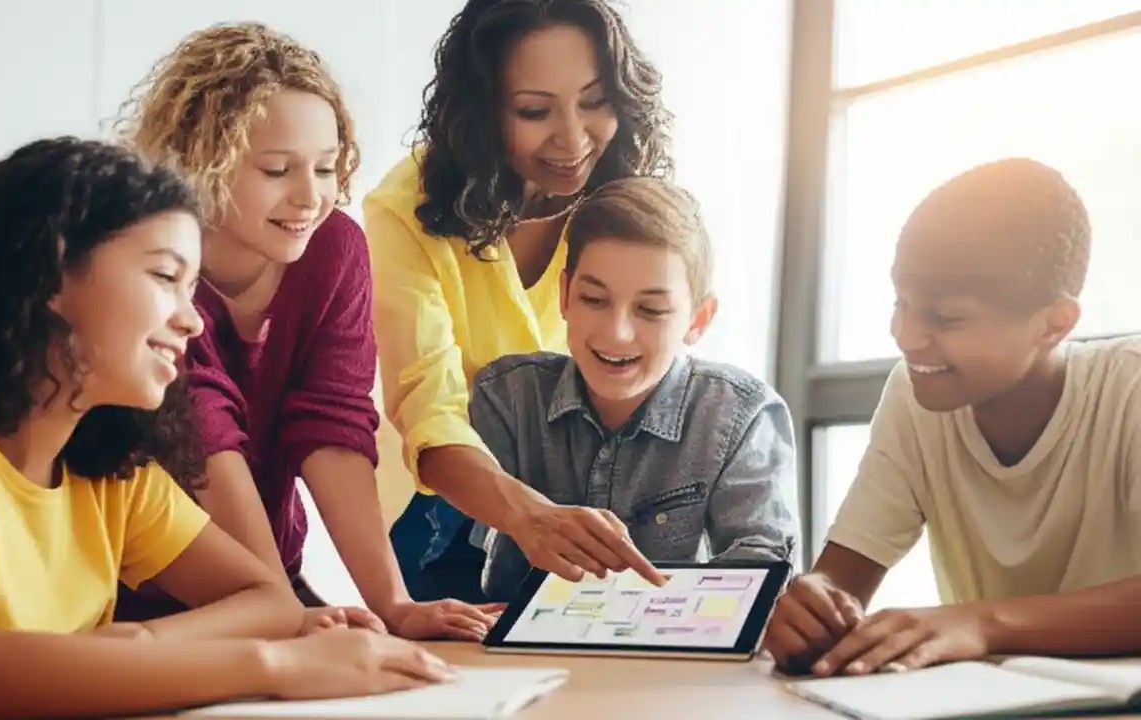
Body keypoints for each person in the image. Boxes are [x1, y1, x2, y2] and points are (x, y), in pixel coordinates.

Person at [0, 138, 450, 720]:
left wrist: (136, 644)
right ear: (48, 278)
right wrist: (272, 666)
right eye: (165, 277)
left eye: (192, 289)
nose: (193, 321)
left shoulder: (111, 471)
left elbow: (268, 599)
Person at [115, 22, 496, 640]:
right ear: (201, 165)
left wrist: (393, 604)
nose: (310, 197)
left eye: (325, 168)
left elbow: (333, 423)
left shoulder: (335, 249)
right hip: (139, 590)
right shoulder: (152, 263)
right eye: (276, 170)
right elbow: (203, 438)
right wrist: (278, 611)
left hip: (270, 577)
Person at [764, 158, 1141, 677]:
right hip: (1001, 702)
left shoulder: (1129, 388)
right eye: (902, 304)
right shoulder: (915, 395)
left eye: (947, 317)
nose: (906, 336)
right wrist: (811, 607)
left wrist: (985, 623)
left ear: (1054, 324)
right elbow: (840, 582)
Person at [365, 0, 676, 601]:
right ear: (482, 113)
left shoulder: (625, 196)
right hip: (448, 507)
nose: (574, 138)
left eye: (594, 101)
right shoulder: (405, 209)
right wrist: (527, 515)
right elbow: (429, 410)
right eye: (534, 111)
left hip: (592, 478)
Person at [469, 177, 798, 599]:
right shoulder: (507, 399)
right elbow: (455, 560)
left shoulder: (741, 415)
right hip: (514, 639)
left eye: (651, 310)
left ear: (698, 319)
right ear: (565, 295)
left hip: (672, 640)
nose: (617, 333)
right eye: (594, 300)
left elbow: (760, 576)